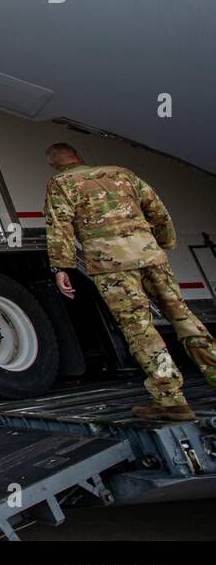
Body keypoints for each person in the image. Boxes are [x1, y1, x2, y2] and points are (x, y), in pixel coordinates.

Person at [43, 143, 216, 422]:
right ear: (80, 156)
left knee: (140, 328)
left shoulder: (61, 183)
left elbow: (59, 225)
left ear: (54, 165)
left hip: (112, 265)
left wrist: (62, 266)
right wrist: (163, 242)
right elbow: (157, 209)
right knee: (183, 317)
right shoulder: (122, 173)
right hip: (150, 256)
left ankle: (170, 399)